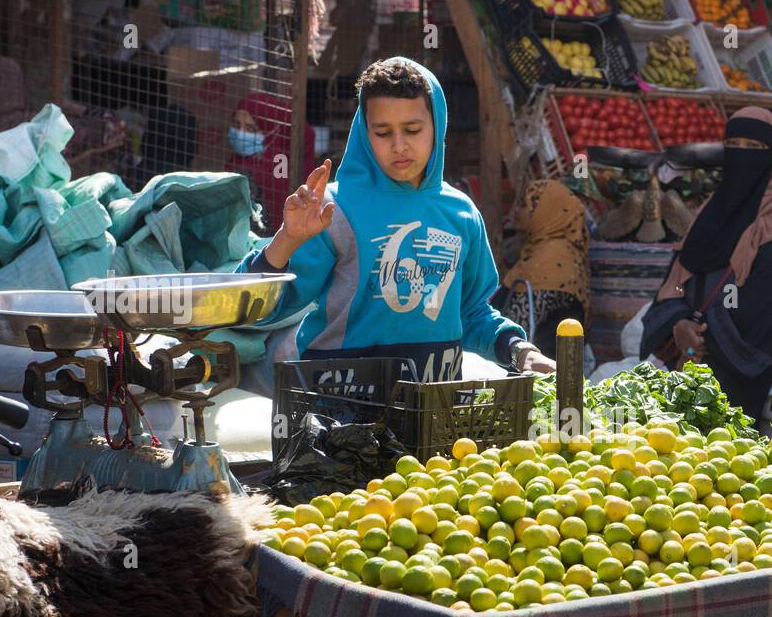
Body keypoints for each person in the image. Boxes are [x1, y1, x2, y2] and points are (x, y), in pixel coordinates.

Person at [236, 57, 554, 379]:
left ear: (438, 125)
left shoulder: (461, 214)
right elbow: (257, 312)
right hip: (339, 406)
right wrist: (287, 240)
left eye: (412, 130)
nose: (399, 146)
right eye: (383, 132)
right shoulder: (331, 209)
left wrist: (518, 350)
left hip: (434, 405)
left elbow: (471, 313)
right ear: (364, 132)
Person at [640, 107, 772, 423]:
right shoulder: (717, 206)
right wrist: (679, 323)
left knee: (712, 437)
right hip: (687, 345)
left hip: (739, 357)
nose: (741, 156)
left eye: (753, 148)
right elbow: (677, 277)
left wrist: (701, 339)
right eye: (733, 145)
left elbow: (768, 303)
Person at [491, 179, 589, 358]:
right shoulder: (544, 250)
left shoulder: (552, 259)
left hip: (539, 364)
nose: (517, 212)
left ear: (545, 211)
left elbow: (520, 323)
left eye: (525, 205)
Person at [226, 92, 316, 233]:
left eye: (250, 128)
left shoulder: (279, 161)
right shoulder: (236, 160)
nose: (240, 133)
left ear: (267, 129)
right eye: (237, 125)